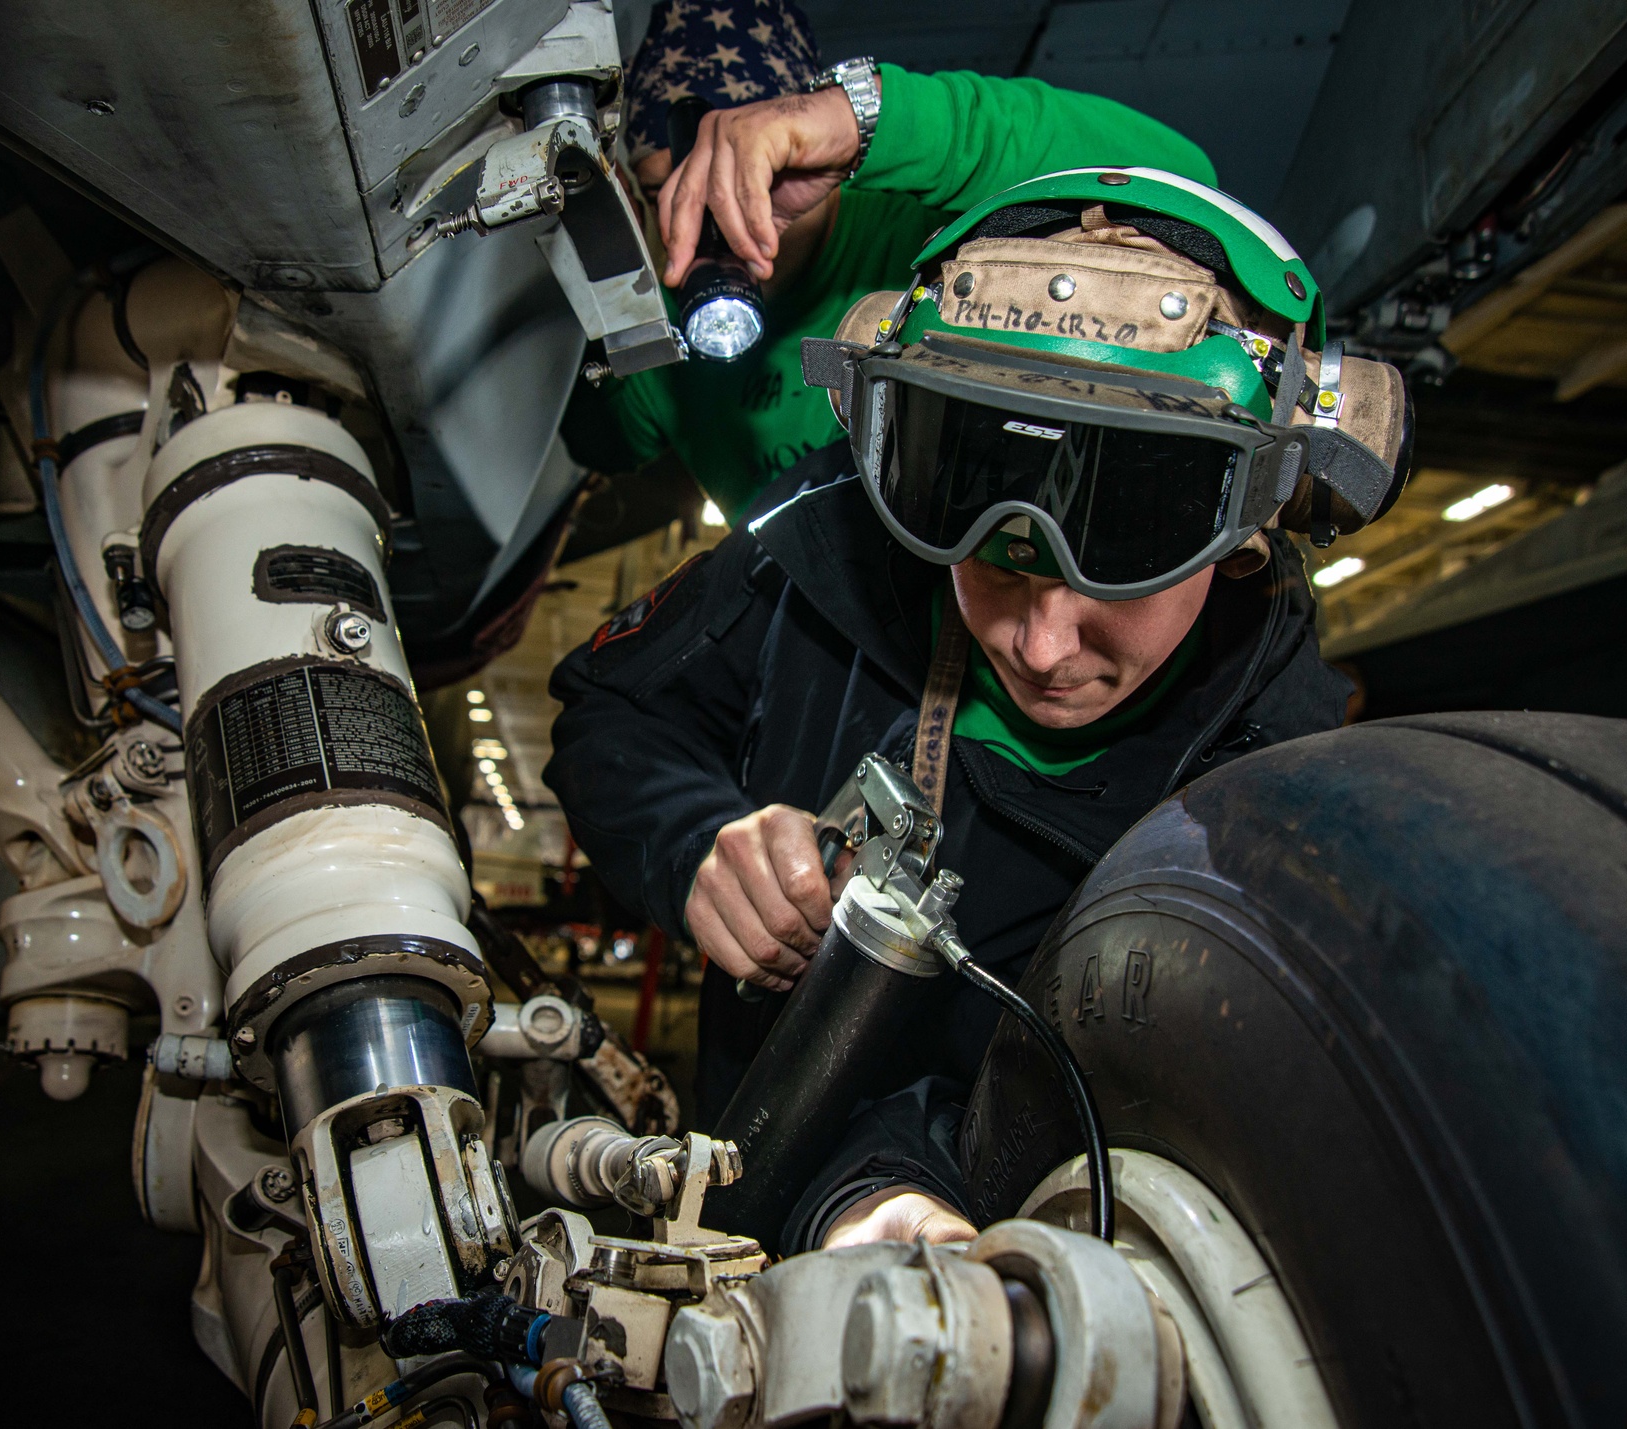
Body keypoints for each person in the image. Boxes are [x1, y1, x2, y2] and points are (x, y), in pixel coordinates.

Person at [546, 169, 1412, 1251]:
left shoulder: (1272, 804)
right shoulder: (825, 536)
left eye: (1119, 576)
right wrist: (695, 845)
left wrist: (885, 1188)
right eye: (996, 563)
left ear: (1242, 531)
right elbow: (613, 710)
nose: (1042, 648)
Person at [568, 0, 1216, 523]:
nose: (711, 223)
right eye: (667, 194)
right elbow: (598, 442)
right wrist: (600, 265)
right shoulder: (671, 327)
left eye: (744, 181)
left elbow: (1182, 183)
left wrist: (869, 120)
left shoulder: (924, 234)